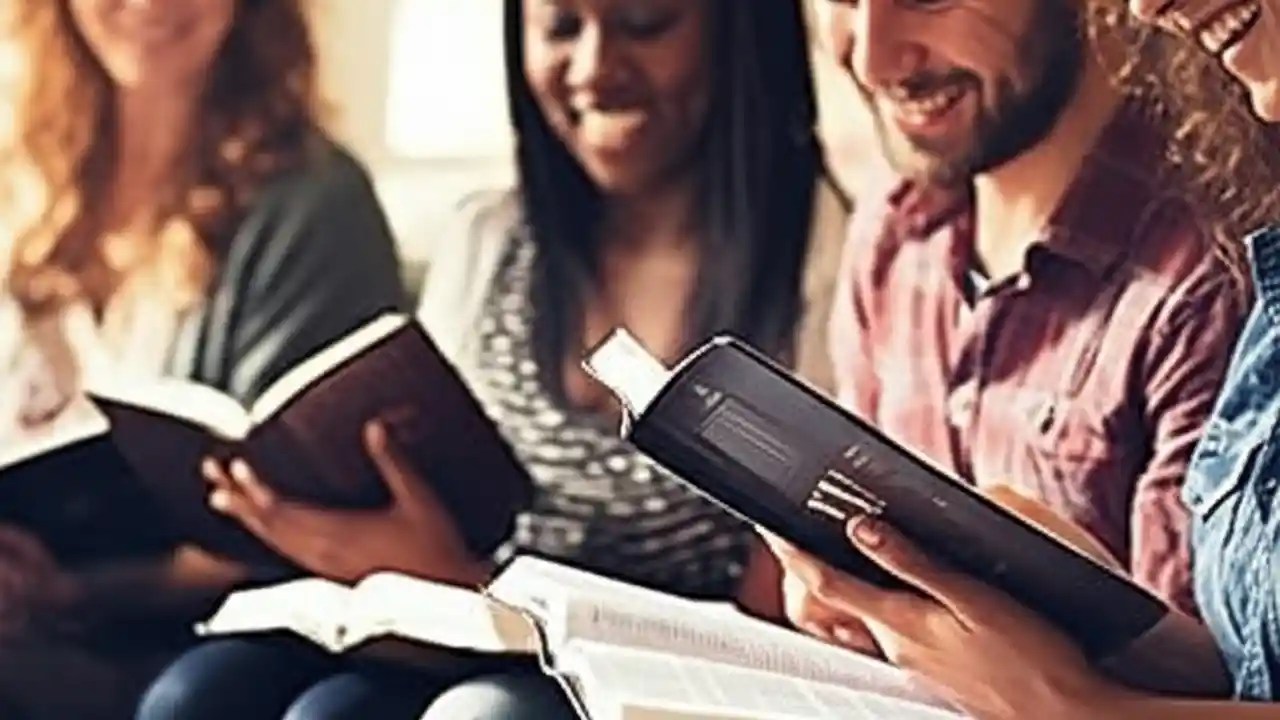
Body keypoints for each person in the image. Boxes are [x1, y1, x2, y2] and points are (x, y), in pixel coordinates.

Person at [134, 0, 848, 719]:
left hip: (656, 679)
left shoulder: (825, 265)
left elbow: (780, 629)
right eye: (560, 28)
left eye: (644, 24)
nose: (595, 69)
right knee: (199, 696)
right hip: (457, 625)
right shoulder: (493, 238)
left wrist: (463, 581)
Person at [775, 0, 1280, 717]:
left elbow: (1216, 685)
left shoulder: (1208, 271)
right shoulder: (893, 231)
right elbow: (1238, 666)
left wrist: (1075, 703)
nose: (871, 60)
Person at [0, 0, 405, 717]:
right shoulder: (18, 177)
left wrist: (70, 592)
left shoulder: (313, 205)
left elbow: (301, 528)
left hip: (186, 642)